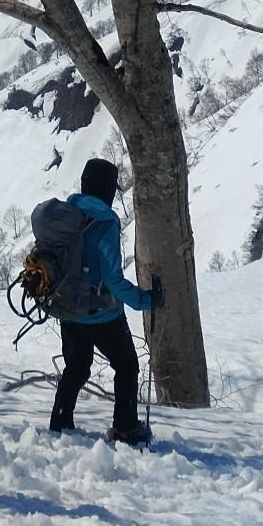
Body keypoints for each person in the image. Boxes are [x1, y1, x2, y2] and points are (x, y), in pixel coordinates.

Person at [47, 157, 160, 445]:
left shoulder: (68, 216)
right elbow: (112, 279)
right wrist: (144, 301)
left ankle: (60, 421)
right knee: (125, 366)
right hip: (101, 315)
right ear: (109, 190)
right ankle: (126, 428)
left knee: (77, 366)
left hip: (67, 308)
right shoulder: (105, 224)